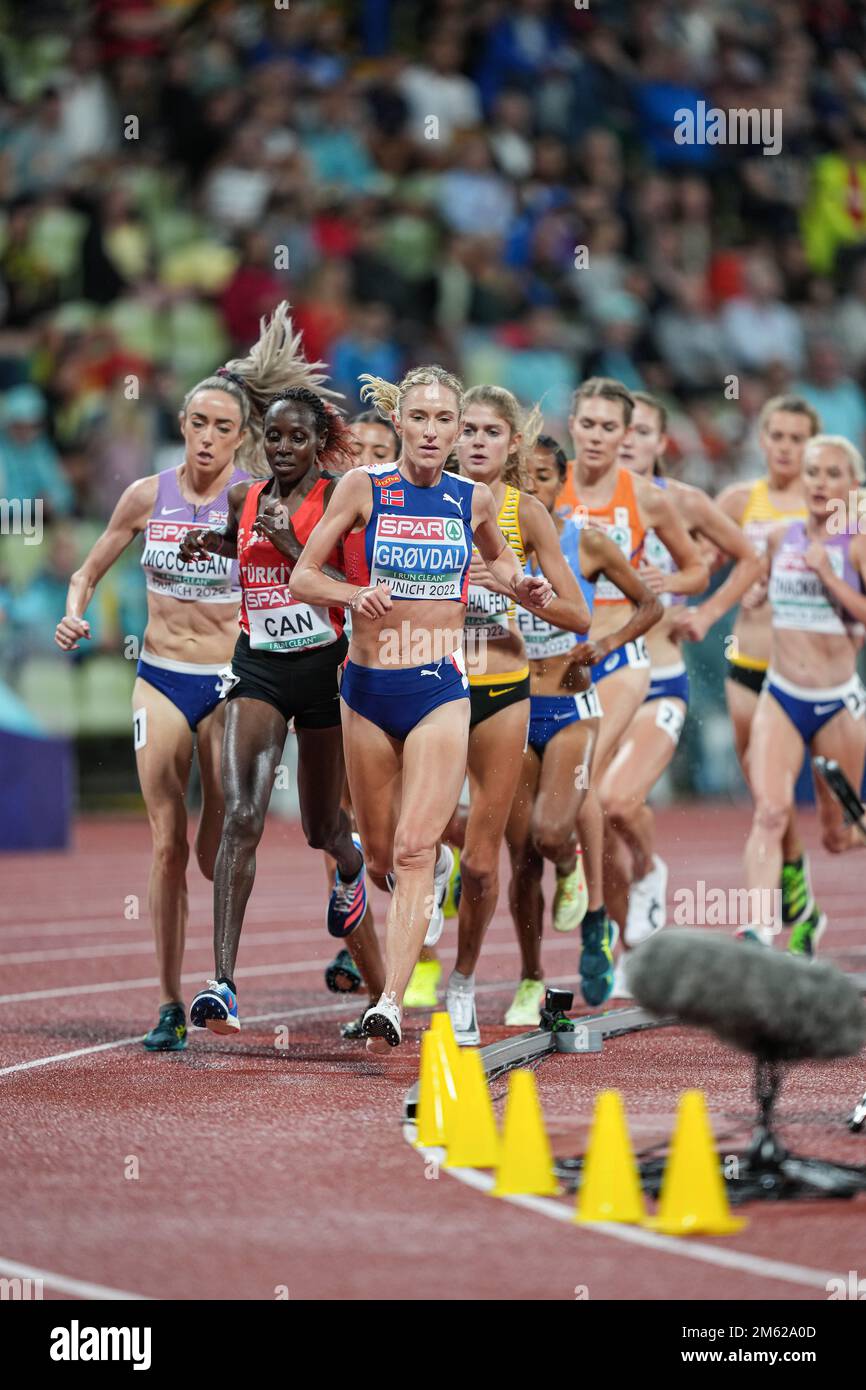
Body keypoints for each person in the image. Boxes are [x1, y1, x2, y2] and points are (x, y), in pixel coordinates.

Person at [289, 365, 557, 1052]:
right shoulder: (364, 487)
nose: (436, 432)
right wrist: (354, 597)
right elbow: (303, 574)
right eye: (423, 419)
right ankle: (428, 872)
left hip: (440, 686)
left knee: (411, 849)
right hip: (367, 693)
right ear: (401, 423)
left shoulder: (470, 500)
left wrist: (519, 585)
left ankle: (388, 1003)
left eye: (448, 420)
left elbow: (496, 563)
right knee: (382, 855)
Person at [54, 370, 255, 1050]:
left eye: (222, 427)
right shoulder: (147, 497)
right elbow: (85, 572)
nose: (207, 438)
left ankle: (218, 827)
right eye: (198, 423)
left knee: (219, 834)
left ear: (241, 437)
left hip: (231, 679)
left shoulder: (253, 500)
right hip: (163, 676)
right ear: (182, 425)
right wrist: (73, 614)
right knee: (167, 843)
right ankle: (170, 1001)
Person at [178, 387, 385, 1034]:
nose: (284, 448)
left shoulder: (340, 497)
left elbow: (355, 588)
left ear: (317, 441)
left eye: (297, 438)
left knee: (321, 829)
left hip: (325, 673)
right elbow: (243, 545)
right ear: (259, 442)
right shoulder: (246, 498)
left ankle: (349, 870)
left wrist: (293, 548)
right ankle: (222, 984)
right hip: (258, 668)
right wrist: (208, 544)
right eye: (273, 437)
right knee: (243, 815)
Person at [410, 385, 591, 1042]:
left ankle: (467, 980)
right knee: (401, 840)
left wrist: (522, 590)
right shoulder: (417, 499)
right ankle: (430, 878)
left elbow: (577, 615)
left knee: (498, 858)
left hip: (506, 689)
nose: (478, 442)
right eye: (470, 430)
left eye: (492, 431)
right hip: (430, 683)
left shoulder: (526, 512)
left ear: (512, 443)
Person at [556, 378, 708, 983]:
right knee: (579, 804)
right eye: (587, 424)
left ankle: (637, 880)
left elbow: (697, 566)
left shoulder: (648, 498)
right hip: (560, 662)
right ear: (572, 425)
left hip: (624, 657)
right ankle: (617, 930)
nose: (596, 437)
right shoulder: (548, 486)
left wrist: (667, 585)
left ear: (627, 435)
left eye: (608, 427)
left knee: (594, 790)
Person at [606, 392, 761, 982]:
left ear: (659, 441)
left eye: (641, 430)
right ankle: (627, 943)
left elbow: (746, 556)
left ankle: (648, 869)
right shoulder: (577, 503)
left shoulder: (683, 502)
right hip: (595, 676)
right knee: (584, 819)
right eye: (620, 427)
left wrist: (700, 606)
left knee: (617, 802)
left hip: (660, 677)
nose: (627, 439)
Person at [504, 434, 660, 1021]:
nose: (532, 488)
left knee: (551, 832)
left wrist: (609, 642)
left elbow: (649, 603)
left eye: (544, 477)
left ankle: (588, 902)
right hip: (509, 706)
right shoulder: (488, 539)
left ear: (561, 484)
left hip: (570, 704)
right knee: (519, 854)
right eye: (524, 478)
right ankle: (530, 977)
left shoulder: (584, 541)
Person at [741, 435, 866, 951]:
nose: (820, 483)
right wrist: (756, 590)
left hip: (838, 702)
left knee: (838, 839)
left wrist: (829, 577)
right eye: (813, 473)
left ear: (852, 486)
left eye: (833, 474)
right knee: (770, 812)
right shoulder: (778, 535)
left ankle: (855, 821)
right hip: (783, 694)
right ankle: (756, 935)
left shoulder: (856, 543)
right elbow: (759, 585)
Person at [716, 395, 821, 933]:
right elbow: (699, 561)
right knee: (764, 790)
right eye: (776, 436)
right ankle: (793, 862)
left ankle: (765, 912)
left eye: (796, 438)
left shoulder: (830, 505)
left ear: (813, 445)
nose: (784, 447)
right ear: (761, 440)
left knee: (772, 788)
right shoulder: (738, 499)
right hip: (747, 661)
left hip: (802, 672)